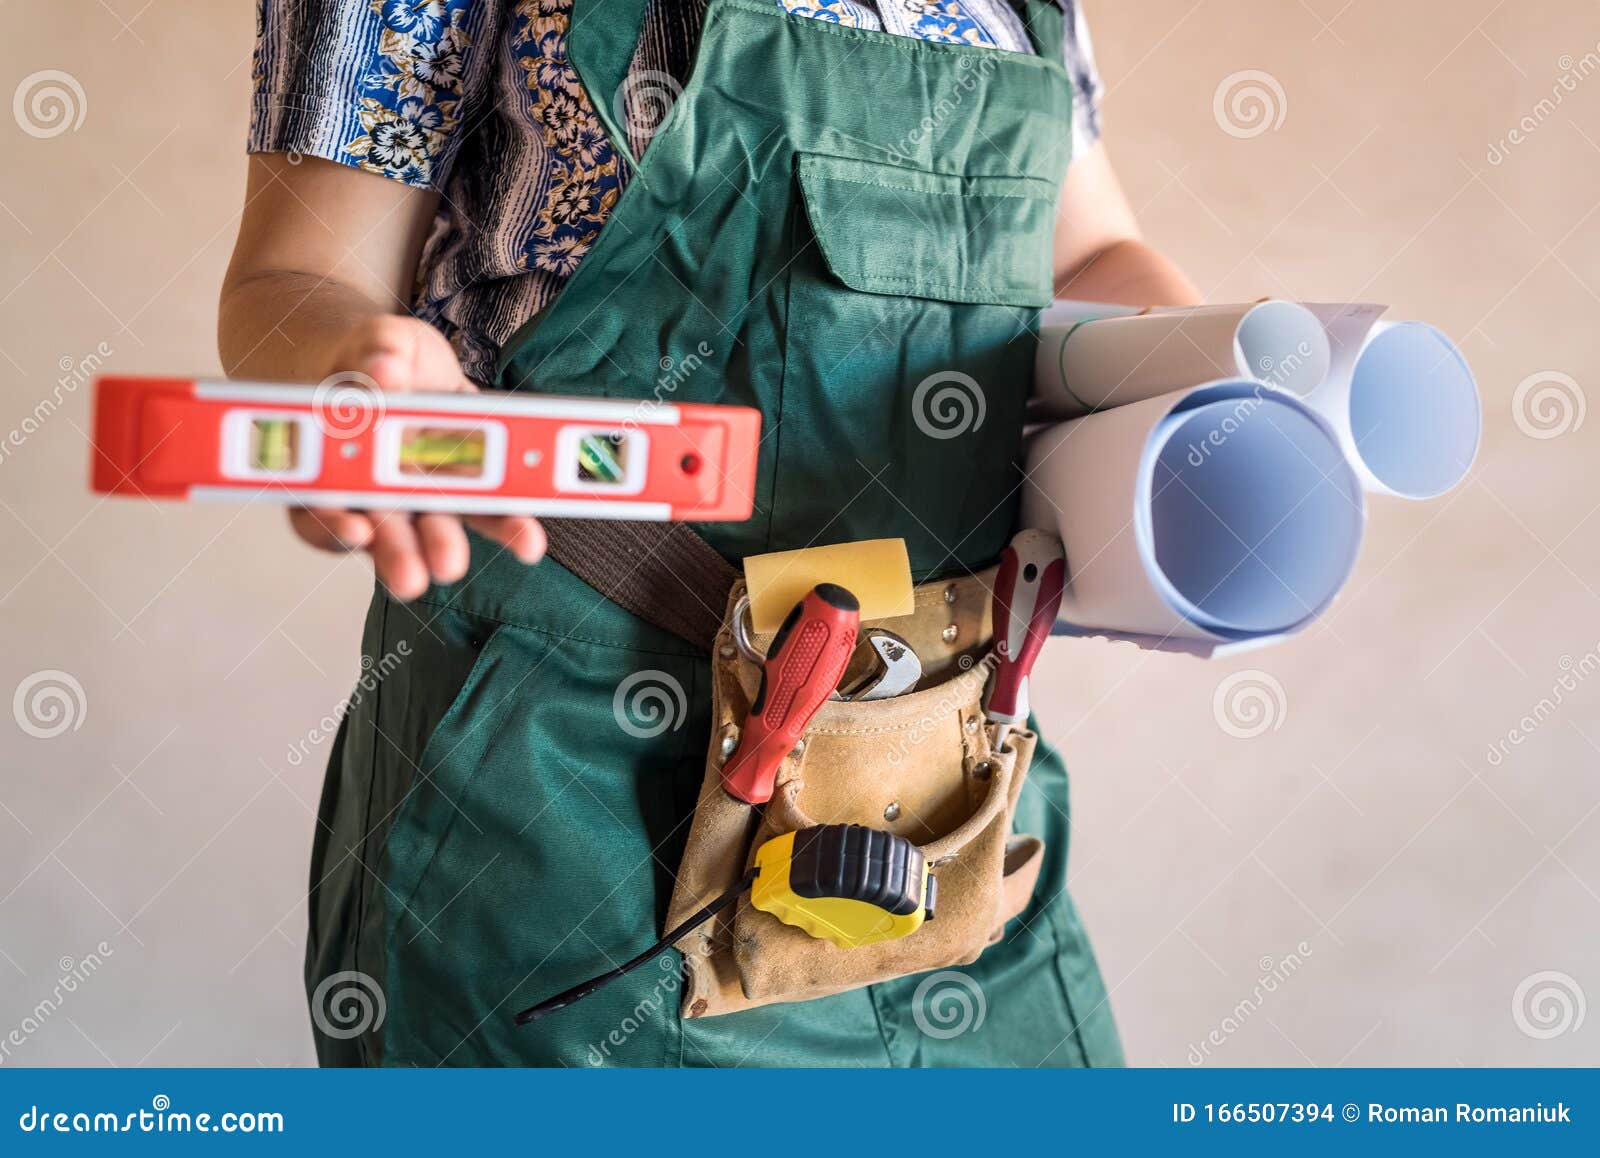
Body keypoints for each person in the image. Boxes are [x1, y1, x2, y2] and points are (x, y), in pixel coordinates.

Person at [220, 0, 1201, 1067]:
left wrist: (1232, 400)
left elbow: (1091, 252)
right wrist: (352, 385)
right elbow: (296, 277)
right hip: (581, 792)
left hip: (954, 786)